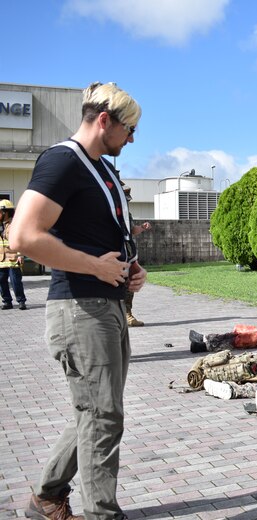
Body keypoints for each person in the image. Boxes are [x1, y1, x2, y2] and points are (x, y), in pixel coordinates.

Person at [11, 81, 145, 520]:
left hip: (105, 306)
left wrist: (129, 266)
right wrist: (94, 266)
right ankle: (102, 514)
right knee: (103, 416)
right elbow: (23, 236)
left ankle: (47, 496)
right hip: (80, 309)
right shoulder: (62, 161)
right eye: (130, 128)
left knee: (98, 412)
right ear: (104, 121)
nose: (133, 137)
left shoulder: (101, 169)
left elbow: (97, 236)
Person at [121, 183, 151, 327]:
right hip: (114, 253)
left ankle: (127, 314)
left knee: (130, 283)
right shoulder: (108, 209)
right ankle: (121, 315)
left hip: (128, 252)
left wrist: (142, 228)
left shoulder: (127, 213)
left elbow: (131, 230)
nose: (127, 201)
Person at [0, 199, 27, 310]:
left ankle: (21, 301)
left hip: (13, 259)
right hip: (1, 260)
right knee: (1, 282)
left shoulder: (15, 225)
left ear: (6, 212)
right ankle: (7, 302)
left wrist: (20, 255)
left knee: (16, 282)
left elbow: (20, 240)